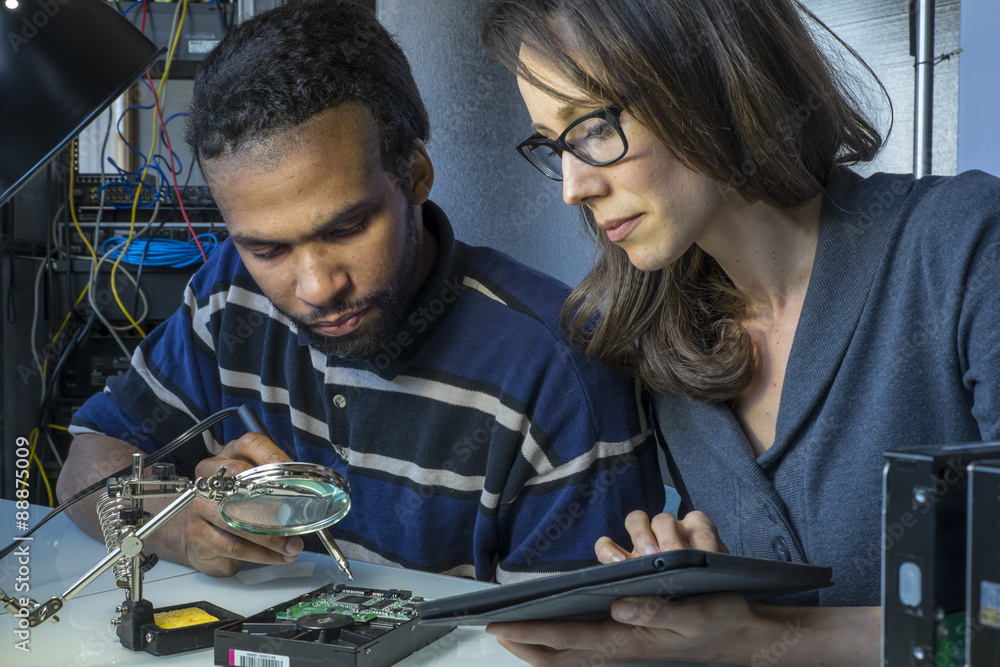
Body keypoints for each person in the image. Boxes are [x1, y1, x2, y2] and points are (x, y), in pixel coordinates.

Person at [56, 1, 665, 585]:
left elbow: (582, 643)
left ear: (417, 174)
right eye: (268, 249)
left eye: (346, 228)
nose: (317, 287)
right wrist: (178, 523)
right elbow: (86, 462)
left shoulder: (560, 374)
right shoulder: (229, 293)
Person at [479, 0, 1000, 664]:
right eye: (555, 147)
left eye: (591, 126)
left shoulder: (964, 247)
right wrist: (684, 594)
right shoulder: (664, 342)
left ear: (711, 79)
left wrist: (757, 638)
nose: (574, 187)